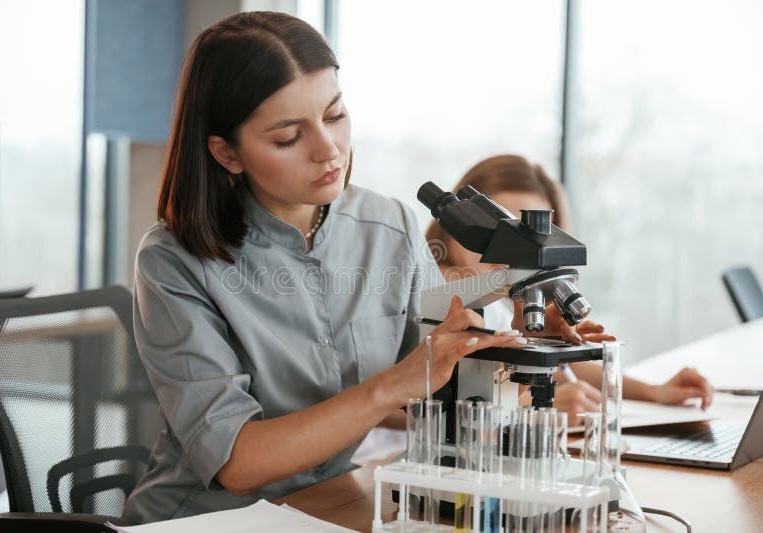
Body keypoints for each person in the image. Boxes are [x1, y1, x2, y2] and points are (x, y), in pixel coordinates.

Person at [122, 13, 590, 524]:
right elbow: (236, 461)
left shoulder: (390, 226)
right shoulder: (173, 259)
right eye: (288, 137)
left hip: (326, 505)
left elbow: (439, 391)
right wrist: (392, 385)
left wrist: (519, 345)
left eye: (335, 114)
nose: (328, 149)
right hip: (203, 520)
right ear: (227, 153)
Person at [425, 154, 715, 421]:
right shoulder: (428, 291)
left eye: (526, 233)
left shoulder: (491, 303)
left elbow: (565, 367)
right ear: (460, 223)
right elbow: (405, 395)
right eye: (501, 232)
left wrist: (653, 391)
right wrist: (528, 407)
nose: (510, 249)